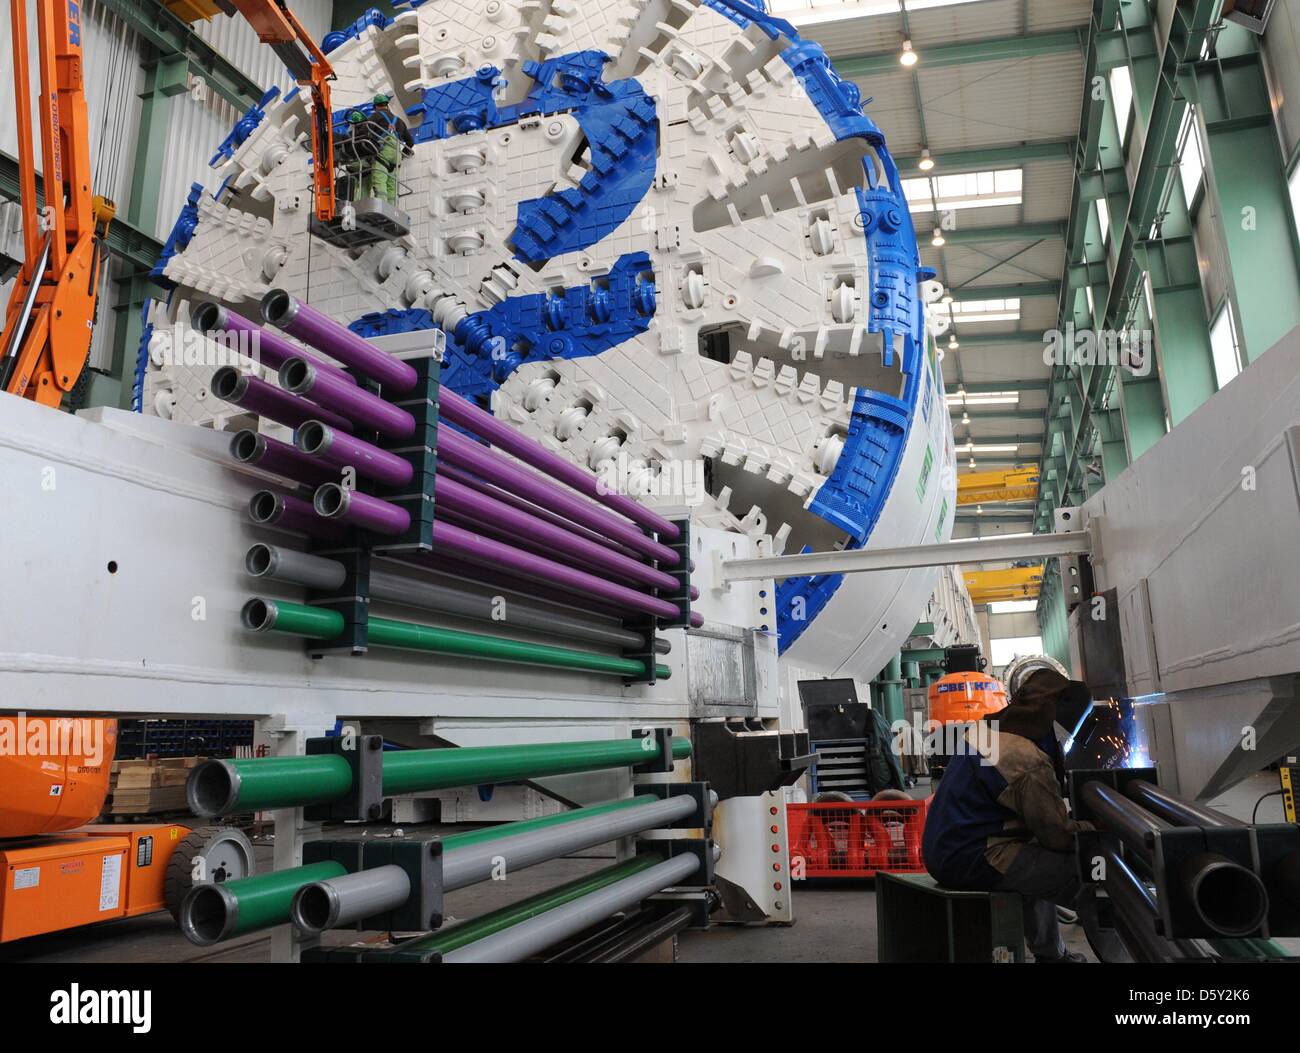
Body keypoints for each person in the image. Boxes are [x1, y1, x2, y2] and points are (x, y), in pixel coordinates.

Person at [921, 668, 1095, 962]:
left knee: (1034, 857)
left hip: (943, 848)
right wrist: (1098, 829)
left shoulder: (984, 729)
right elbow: (1058, 835)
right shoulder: (1025, 759)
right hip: (973, 857)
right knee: (1086, 872)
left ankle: (1051, 954)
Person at [361, 94, 414, 207]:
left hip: (383, 152)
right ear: (387, 105)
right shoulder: (400, 121)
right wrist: (403, 154)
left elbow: (363, 132)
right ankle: (393, 210)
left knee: (379, 181)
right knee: (392, 186)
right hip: (396, 156)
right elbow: (410, 142)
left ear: (375, 106)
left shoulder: (375, 116)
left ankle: (382, 208)